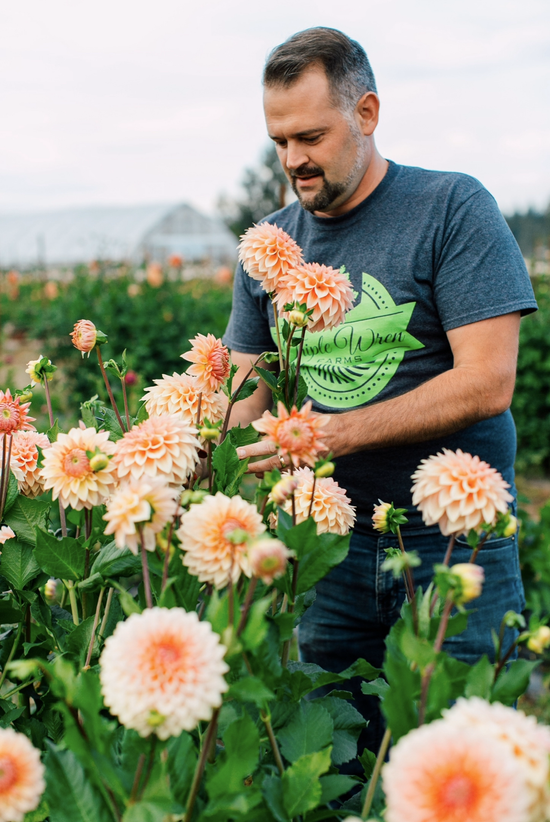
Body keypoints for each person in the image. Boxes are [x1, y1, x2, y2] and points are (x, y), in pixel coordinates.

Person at [222, 27, 537, 754]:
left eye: (310, 135)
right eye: (279, 141)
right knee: (336, 752)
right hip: (327, 544)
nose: (294, 159)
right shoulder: (268, 243)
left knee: (464, 751)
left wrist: (332, 433)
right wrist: (184, 448)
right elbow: (240, 401)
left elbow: (487, 381)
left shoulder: (451, 208)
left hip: (453, 540)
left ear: (365, 113)